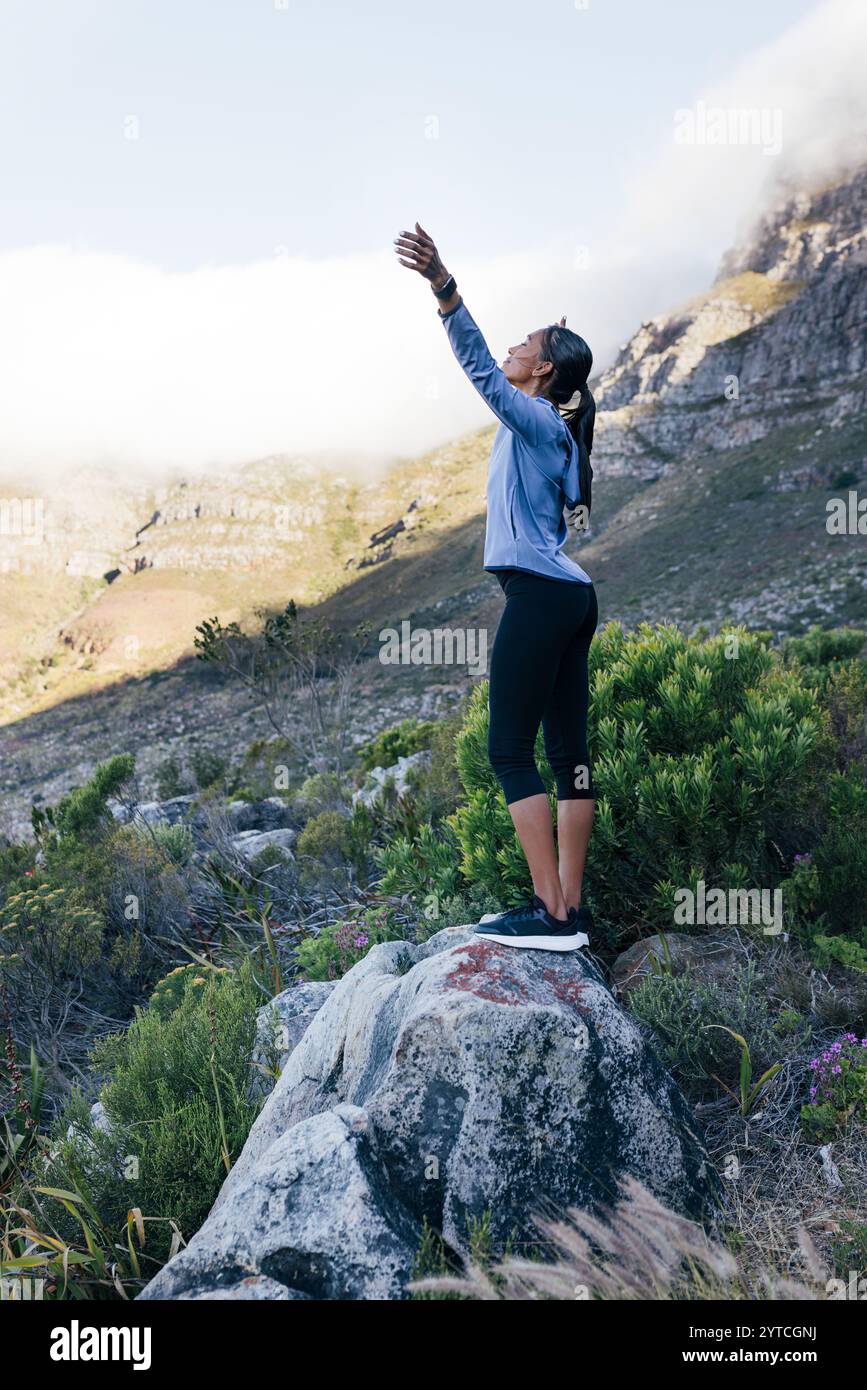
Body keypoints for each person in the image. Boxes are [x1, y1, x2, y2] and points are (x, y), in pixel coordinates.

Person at [394, 223, 598, 952]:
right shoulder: (561, 432)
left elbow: (480, 369)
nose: (514, 348)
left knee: (509, 751)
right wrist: (562, 352)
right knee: (568, 750)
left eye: (527, 345)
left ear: (541, 373)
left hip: (540, 596)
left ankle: (547, 912)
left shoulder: (535, 416)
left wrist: (444, 287)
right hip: (570, 597)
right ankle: (568, 909)